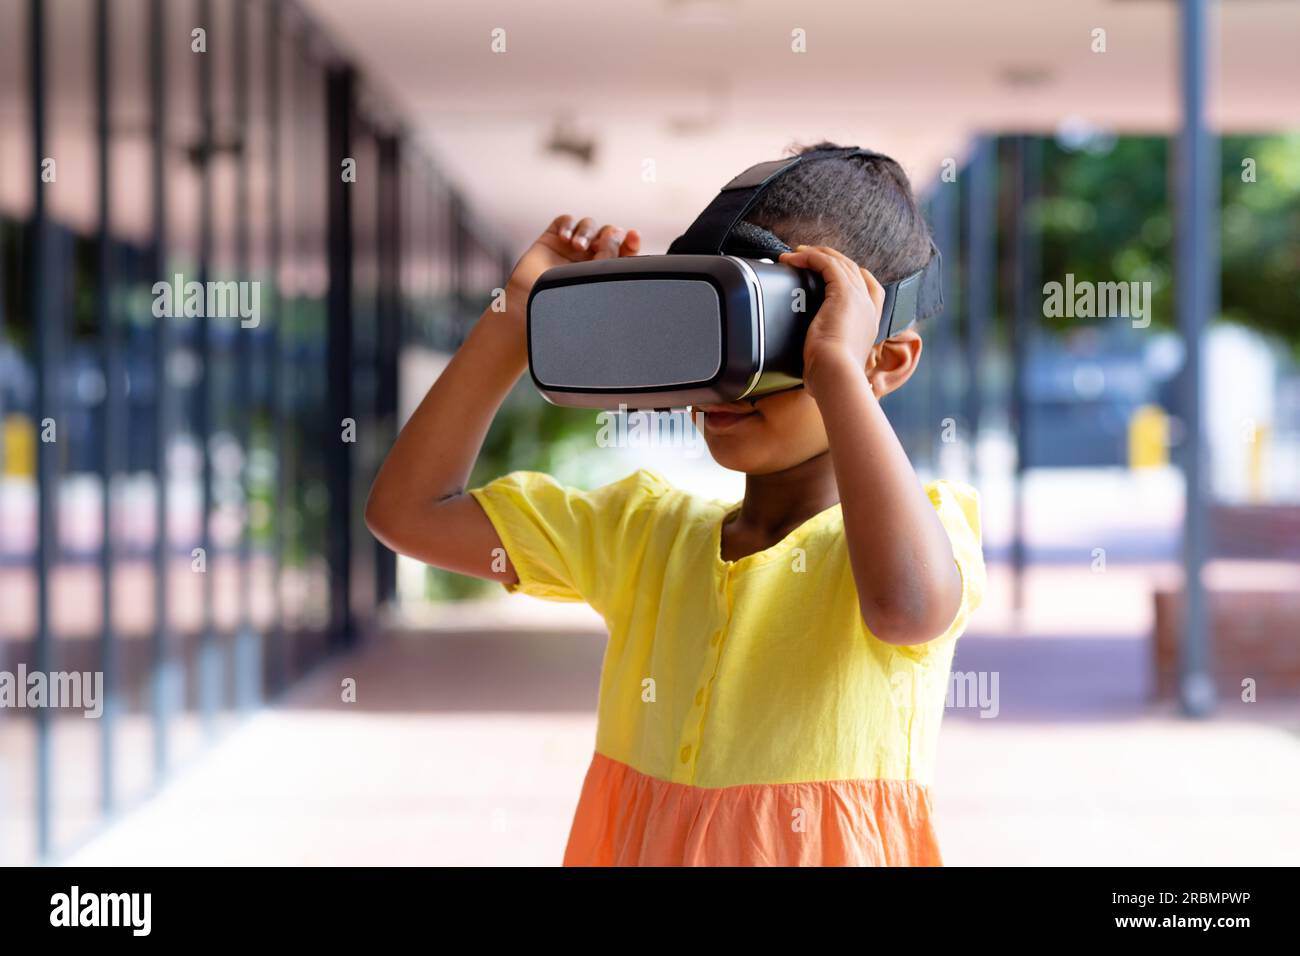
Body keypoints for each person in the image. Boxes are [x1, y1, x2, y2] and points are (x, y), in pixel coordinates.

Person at [365, 143, 986, 866]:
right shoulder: (644, 535)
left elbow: (906, 607)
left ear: (887, 360)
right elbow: (408, 513)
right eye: (711, 325)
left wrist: (837, 370)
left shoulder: (927, 533)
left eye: (771, 333)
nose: (724, 377)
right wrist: (515, 316)